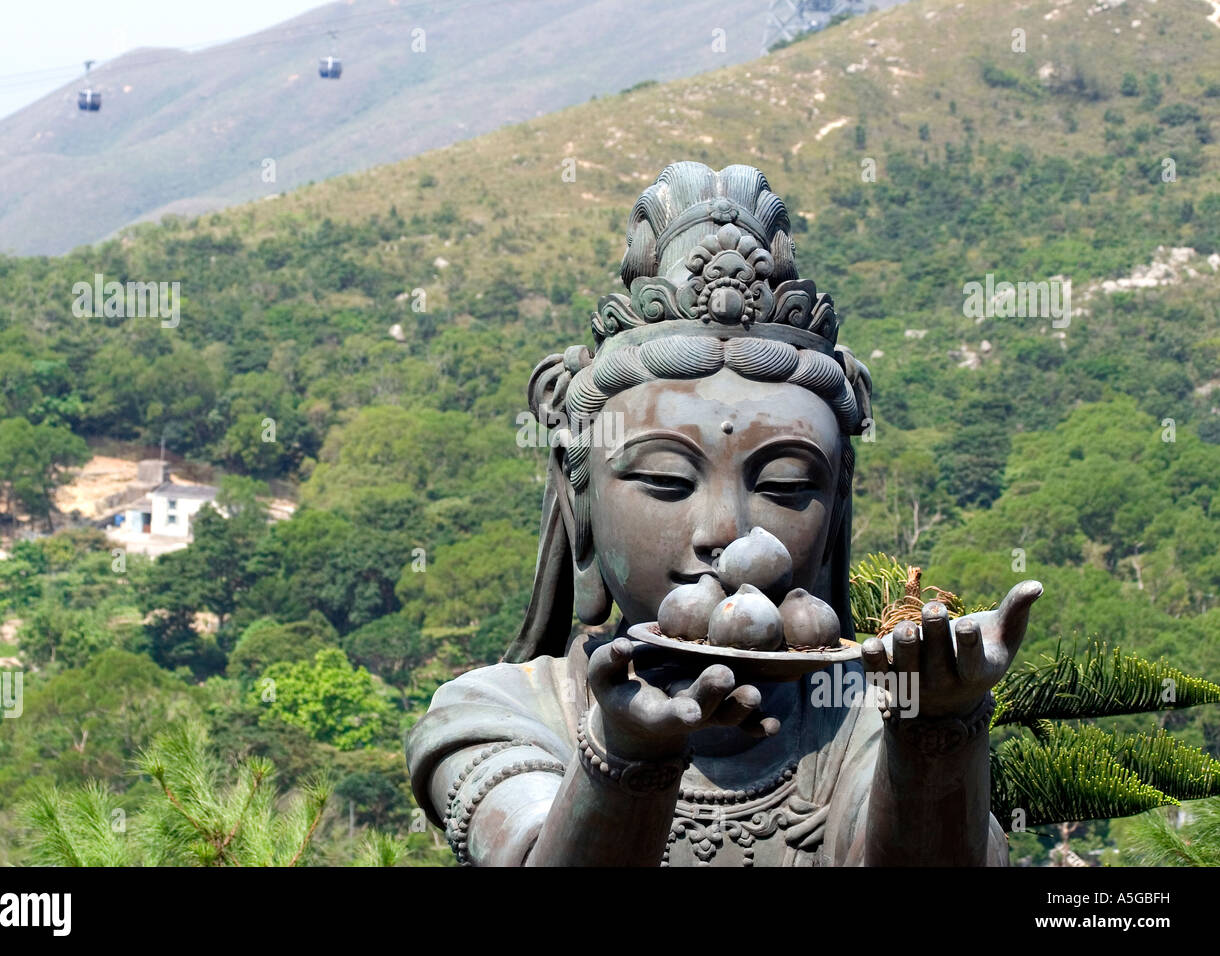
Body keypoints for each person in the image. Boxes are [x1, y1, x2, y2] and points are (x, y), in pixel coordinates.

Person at [406, 162, 1042, 866]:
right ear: (576, 495)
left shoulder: (860, 720)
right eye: (665, 478)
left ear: (836, 513)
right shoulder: (503, 713)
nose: (730, 535)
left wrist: (936, 731)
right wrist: (628, 760)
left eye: (789, 485)